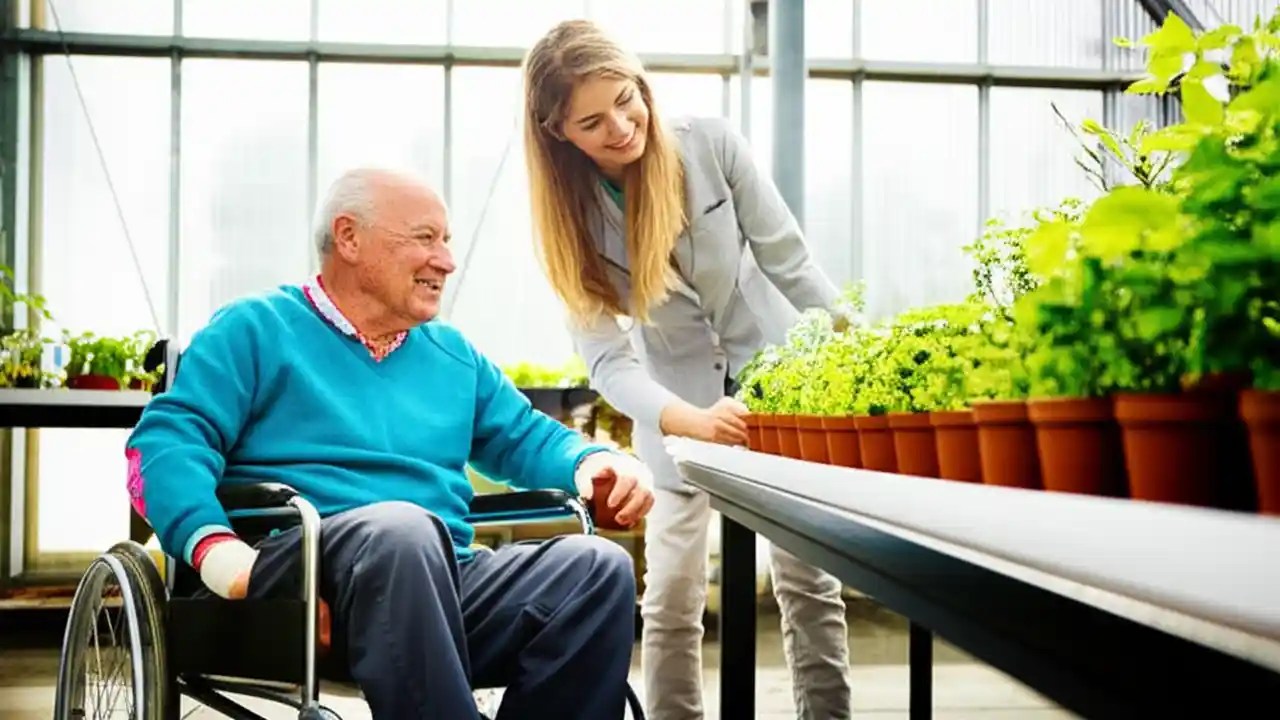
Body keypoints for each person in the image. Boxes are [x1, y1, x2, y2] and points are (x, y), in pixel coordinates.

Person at [124, 167, 655, 720]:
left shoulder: (452, 354)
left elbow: (523, 435)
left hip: (437, 578)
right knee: (401, 529)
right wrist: (219, 555)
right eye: (426, 238)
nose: (447, 261)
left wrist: (592, 461)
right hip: (295, 575)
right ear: (349, 237)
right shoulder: (254, 329)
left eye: (446, 241)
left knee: (597, 569)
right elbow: (164, 443)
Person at [521, 19, 852, 720]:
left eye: (626, 98)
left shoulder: (710, 142)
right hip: (675, 412)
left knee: (808, 585)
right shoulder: (569, 219)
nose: (620, 126)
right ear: (558, 132)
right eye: (591, 120)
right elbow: (608, 358)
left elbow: (789, 261)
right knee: (671, 600)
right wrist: (688, 420)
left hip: (778, 383)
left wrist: (857, 355)